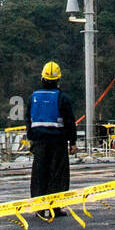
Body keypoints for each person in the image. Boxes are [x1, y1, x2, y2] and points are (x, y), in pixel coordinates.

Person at [26, 61, 78, 219]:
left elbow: (28, 120)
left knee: (39, 174)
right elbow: (70, 122)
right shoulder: (62, 98)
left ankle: (39, 208)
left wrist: (31, 139)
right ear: (58, 80)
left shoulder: (33, 97)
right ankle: (56, 207)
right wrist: (73, 142)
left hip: (39, 143)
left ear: (42, 78)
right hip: (58, 142)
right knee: (58, 175)